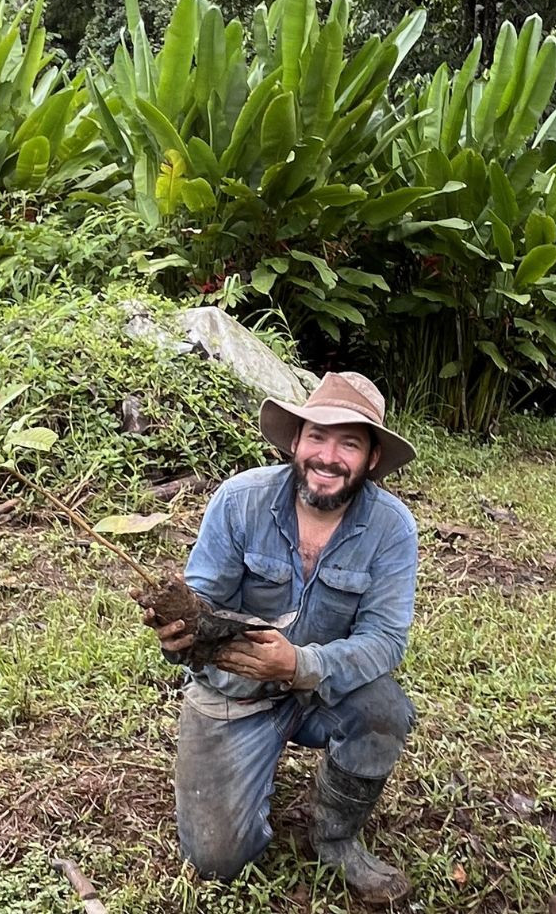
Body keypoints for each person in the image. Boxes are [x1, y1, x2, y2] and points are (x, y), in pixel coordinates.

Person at [135, 371, 420, 904]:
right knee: (216, 859)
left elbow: (385, 640)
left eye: (349, 443)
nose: (328, 456)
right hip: (233, 690)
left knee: (385, 709)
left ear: (372, 459)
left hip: (322, 688)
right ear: (295, 441)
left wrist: (297, 665)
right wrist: (179, 632)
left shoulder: (392, 528)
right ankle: (247, 775)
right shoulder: (240, 500)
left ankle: (335, 838)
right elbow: (200, 603)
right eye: (316, 436)